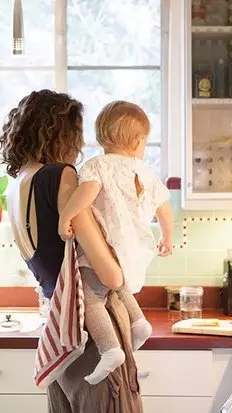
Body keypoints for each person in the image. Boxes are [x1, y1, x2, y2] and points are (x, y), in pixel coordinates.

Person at [0, 90, 143, 412]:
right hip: (93, 333)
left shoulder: (19, 184)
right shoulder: (60, 177)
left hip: (59, 330)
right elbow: (110, 274)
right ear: (64, 134)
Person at [58, 100, 174, 384]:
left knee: (92, 296)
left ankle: (110, 350)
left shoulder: (98, 166)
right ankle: (139, 322)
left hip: (107, 246)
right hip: (133, 250)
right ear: (137, 140)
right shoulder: (145, 172)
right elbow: (165, 210)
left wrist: (66, 216)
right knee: (119, 288)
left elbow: (86, 194)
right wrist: (168, 239)